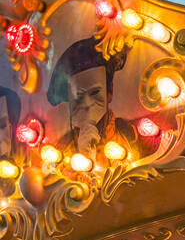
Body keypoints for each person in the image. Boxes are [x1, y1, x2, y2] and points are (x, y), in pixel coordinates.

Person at [46, 37, 151, 165]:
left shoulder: (130, 135)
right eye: (78, 98)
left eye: (95, 92)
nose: (87, 103)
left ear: (109, 91)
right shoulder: (62, 149)